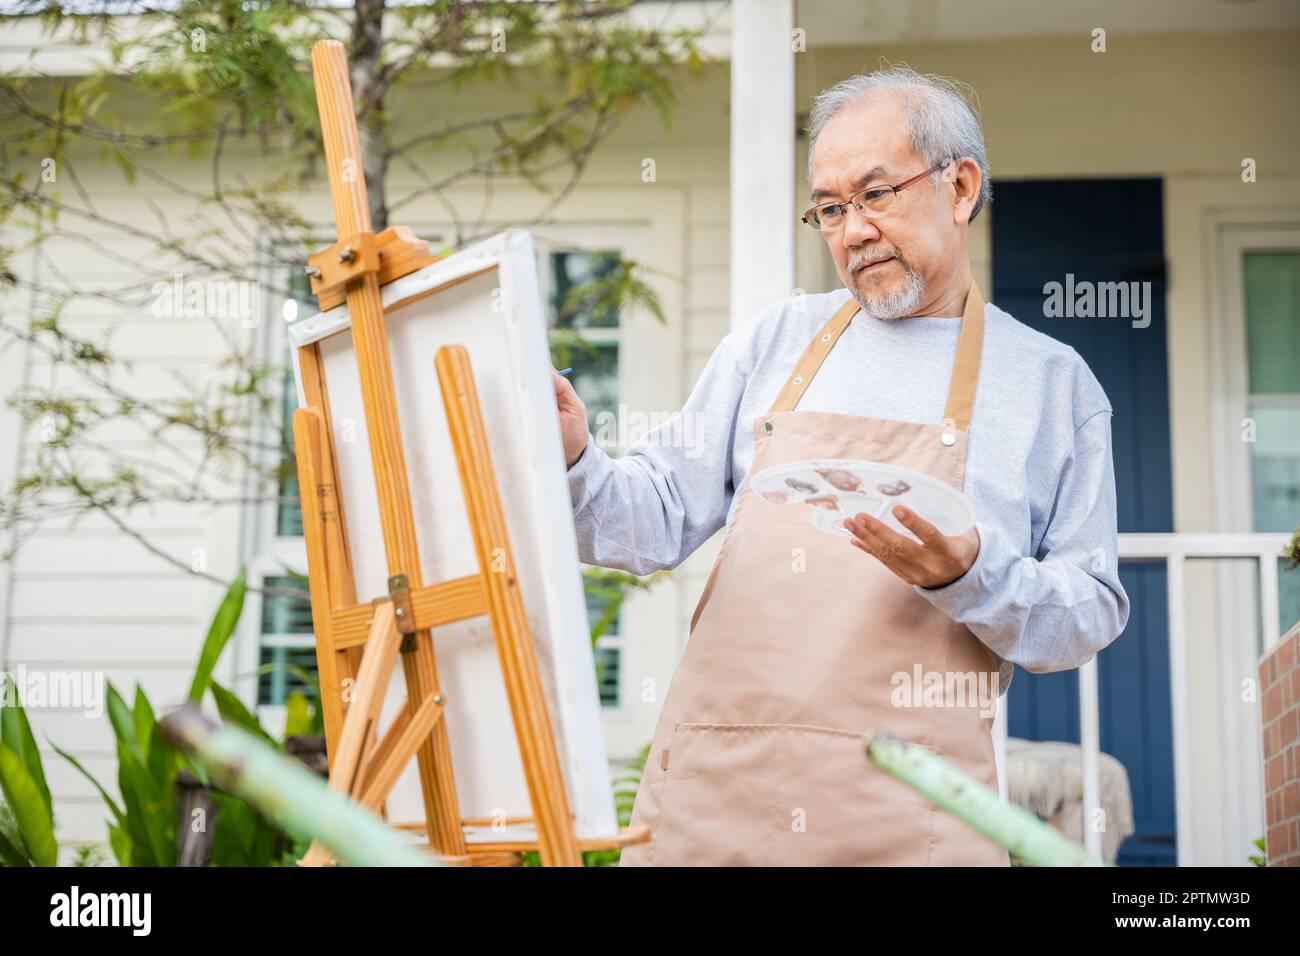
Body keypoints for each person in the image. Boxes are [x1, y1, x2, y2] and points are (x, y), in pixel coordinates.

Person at [552, 66, 1129, 866]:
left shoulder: (1050, 384)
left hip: (913, 816)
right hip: (719, 794)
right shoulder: (774, 343)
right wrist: (577, 456)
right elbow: (645, 522)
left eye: (876, 194)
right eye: (829, 208)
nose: (852, 230)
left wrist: (974, 574)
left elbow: (1088, 612)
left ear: (960, 186)